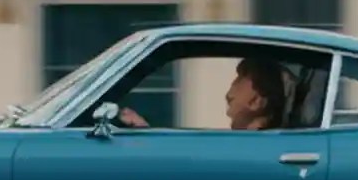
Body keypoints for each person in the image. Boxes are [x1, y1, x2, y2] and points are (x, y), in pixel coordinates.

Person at [119, 56, 289, 130]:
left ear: (256, 102)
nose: (230, 89)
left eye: (240, 80)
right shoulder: (246, 144)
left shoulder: (254, 148)